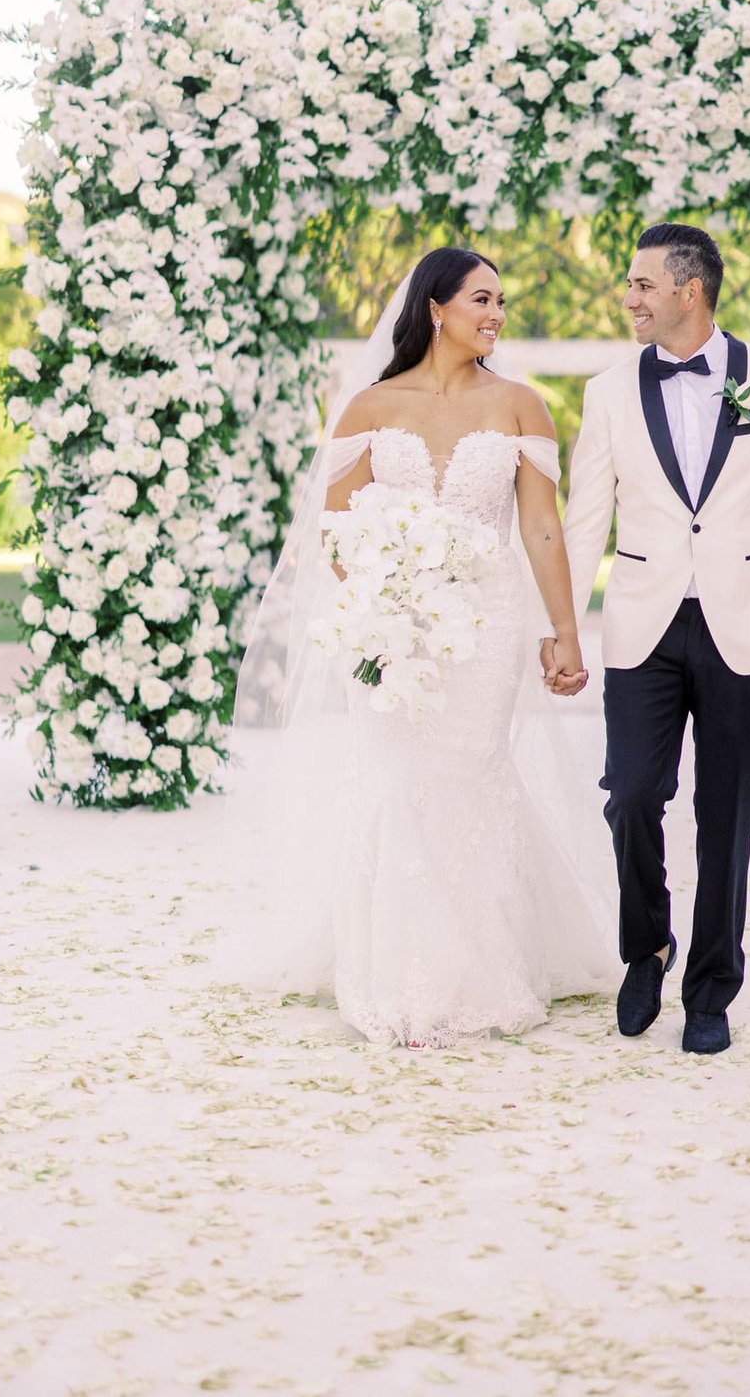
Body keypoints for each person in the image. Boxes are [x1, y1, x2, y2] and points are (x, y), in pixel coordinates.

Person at [234, 247, 615, 1049]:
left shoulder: (522, 406)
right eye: (482, 298)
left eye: (501, 301)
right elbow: (337, 529)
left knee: (471, 775)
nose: (496, 313)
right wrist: (384, 600)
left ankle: (476, 972)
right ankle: (397, 972)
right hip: (391, 624)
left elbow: (541, 527)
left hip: (487, 624)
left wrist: (565, 631)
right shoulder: (370, 407)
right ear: (435, 307)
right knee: (399, 780)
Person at [542, 223, 750, 1055]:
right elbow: (582, 521)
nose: (629, 298)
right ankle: (647, 948)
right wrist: (561, 628)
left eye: (642, 284)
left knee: (726, 816)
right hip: (643, 622)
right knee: (632, 793)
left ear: (690, 289)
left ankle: (711, 989)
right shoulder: (607, 392)